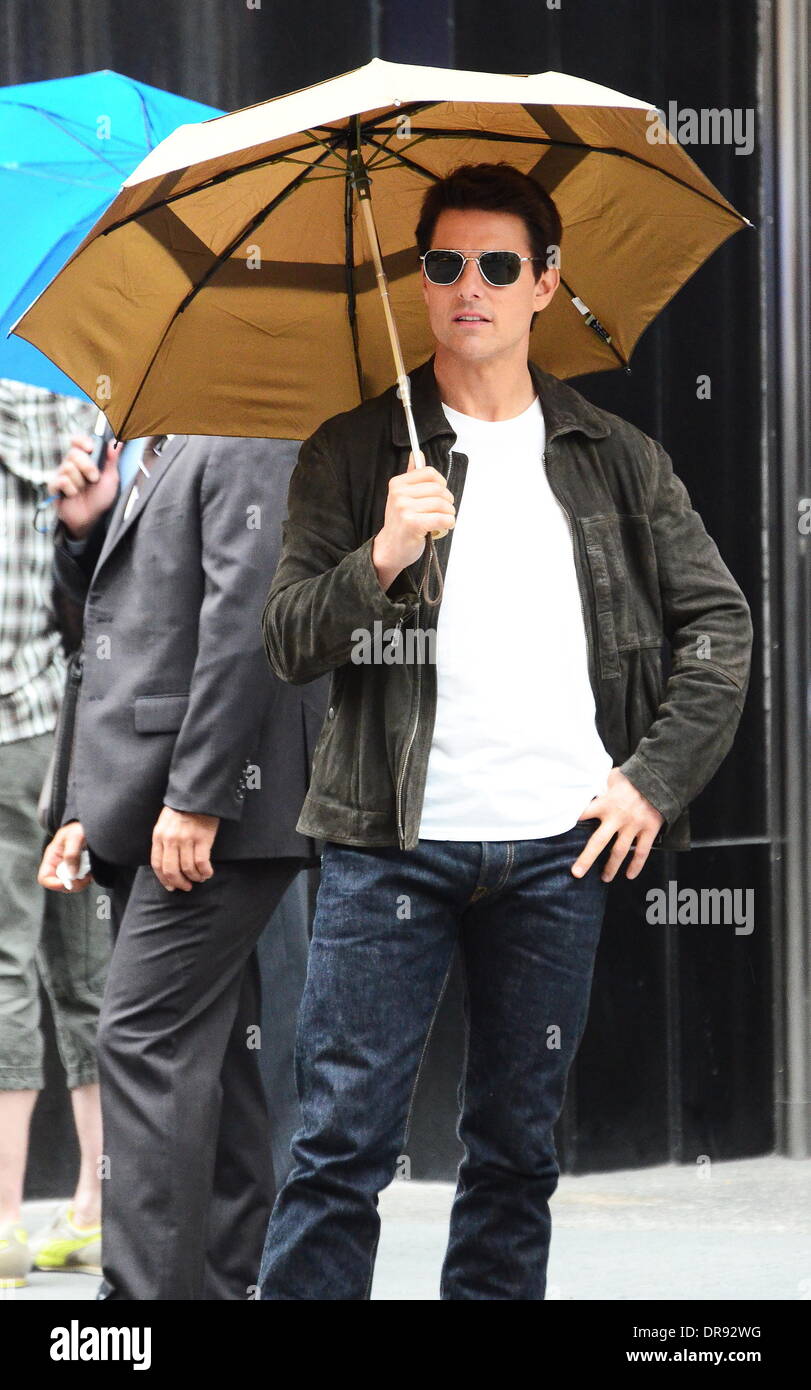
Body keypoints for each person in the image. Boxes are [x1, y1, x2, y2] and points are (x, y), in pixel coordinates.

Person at [257, 162, 754, 1300]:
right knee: (339, 1149)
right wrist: (378, 557)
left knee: (516, 1155)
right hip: (389, 842)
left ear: (544, 284)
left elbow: (718, 622)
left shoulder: (614, 457)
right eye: (442, 265)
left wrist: (650, 782)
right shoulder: (352, 452)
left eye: (495, 265)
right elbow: (288, 640)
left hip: (556, 849)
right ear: (419, 283)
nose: (466, 287)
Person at [37, 428, 328, 1299]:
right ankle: (220, 1282)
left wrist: (198, 797)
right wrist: (82, 804)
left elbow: (248, 623)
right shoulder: (146, 452)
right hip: (147, 802)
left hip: (218, 808)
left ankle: (141, 1306)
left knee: (144, 1038)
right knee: (216, 1060)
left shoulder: (241, 428)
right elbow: (113, 637)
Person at [0, 379, 110, 1288]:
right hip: (72, 728)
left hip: (3, 736)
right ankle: (95, 1208)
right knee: (86, 975)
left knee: (2, 966)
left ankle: (1, 1223)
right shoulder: (78, 422)